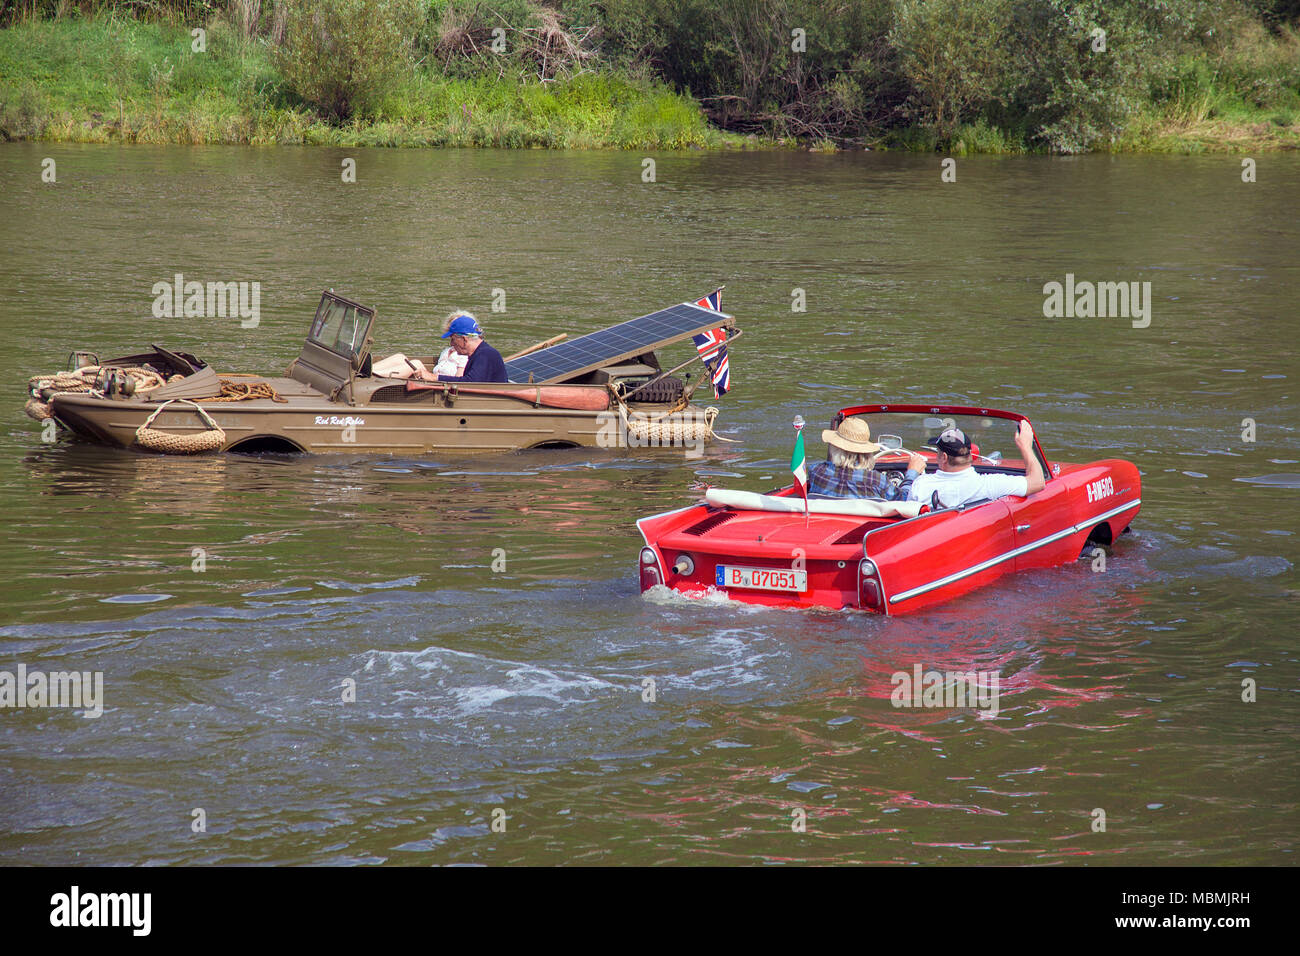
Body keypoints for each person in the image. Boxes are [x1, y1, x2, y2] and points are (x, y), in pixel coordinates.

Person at [903, 421, 1045, 509]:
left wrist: (911, 474)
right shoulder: (990, 484)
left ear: (944, 457)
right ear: (971, 455)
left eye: (937, 452)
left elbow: (903, 507)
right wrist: (1025, 446)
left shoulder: (921, 485)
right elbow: (1038, 482)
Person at [807, 417, 907, 500]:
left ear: (835, 447)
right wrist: (911, 474)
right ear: (866, 452)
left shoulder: (816, 471)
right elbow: (904, 499)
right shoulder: (877, 480)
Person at [415, 312, 507, 384]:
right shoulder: (479, 353)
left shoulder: (486, 354)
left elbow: (471, 383)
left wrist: (434, 377)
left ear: (464, 339)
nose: (451, 344)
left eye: (453, 339)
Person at [430, 312, 470, 377]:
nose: (451, 343)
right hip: (433, 381)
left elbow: (459, 379)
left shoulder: (464, 354)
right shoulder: (445, 351)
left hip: (446, 384)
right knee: (415, 363)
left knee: (416, 363)